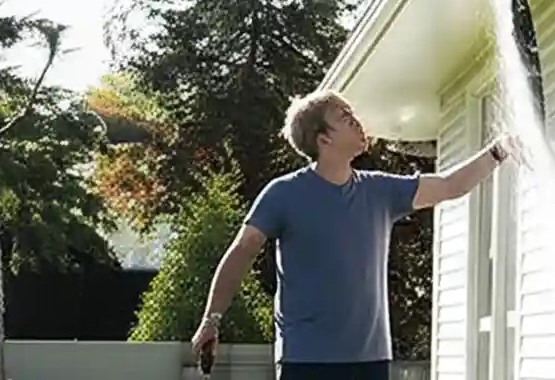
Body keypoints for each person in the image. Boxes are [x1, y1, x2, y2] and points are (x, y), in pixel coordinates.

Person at [190, 88, 519, 379]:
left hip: (370, 359)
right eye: (344, 117)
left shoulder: (380, 190)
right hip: (307, 361)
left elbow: (449, 185)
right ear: (324, 139)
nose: (355, 121)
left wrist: (499, 150)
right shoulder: (283, 194)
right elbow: (241, 252)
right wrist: (211, 319)